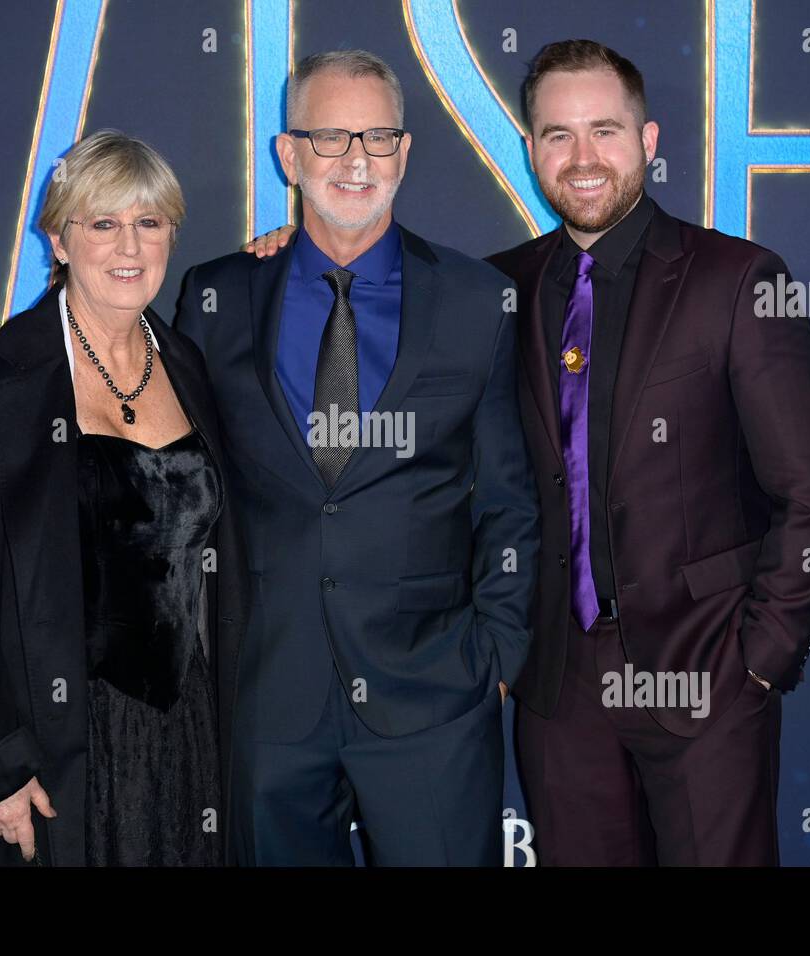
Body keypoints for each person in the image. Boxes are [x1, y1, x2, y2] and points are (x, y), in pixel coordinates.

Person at [246, 40, 810, 866]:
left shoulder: (737, 279)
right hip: (558, 694)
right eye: (557, 135)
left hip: (706, 676)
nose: (583, 156)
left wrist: (761, 663)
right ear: (531, 151)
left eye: (605, 130)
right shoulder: (497, 290)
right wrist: (286, 260)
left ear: (649, 140)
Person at [174, 50, 539, 865]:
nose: (355, 161)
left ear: (404, 154)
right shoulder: (216, 297)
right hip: (267, 697)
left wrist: (498, 656)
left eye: (377, 138)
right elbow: (174, 482)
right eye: (330, 137)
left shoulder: (478, 301)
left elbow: (507, 497)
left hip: (435, 700)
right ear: (288, 154)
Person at [0, 129, 247, 866]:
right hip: (58, 746)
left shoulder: (186, 362)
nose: (129, 245)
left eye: (149, 222)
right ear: (59, 239)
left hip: (184, 736)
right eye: (103, 223)